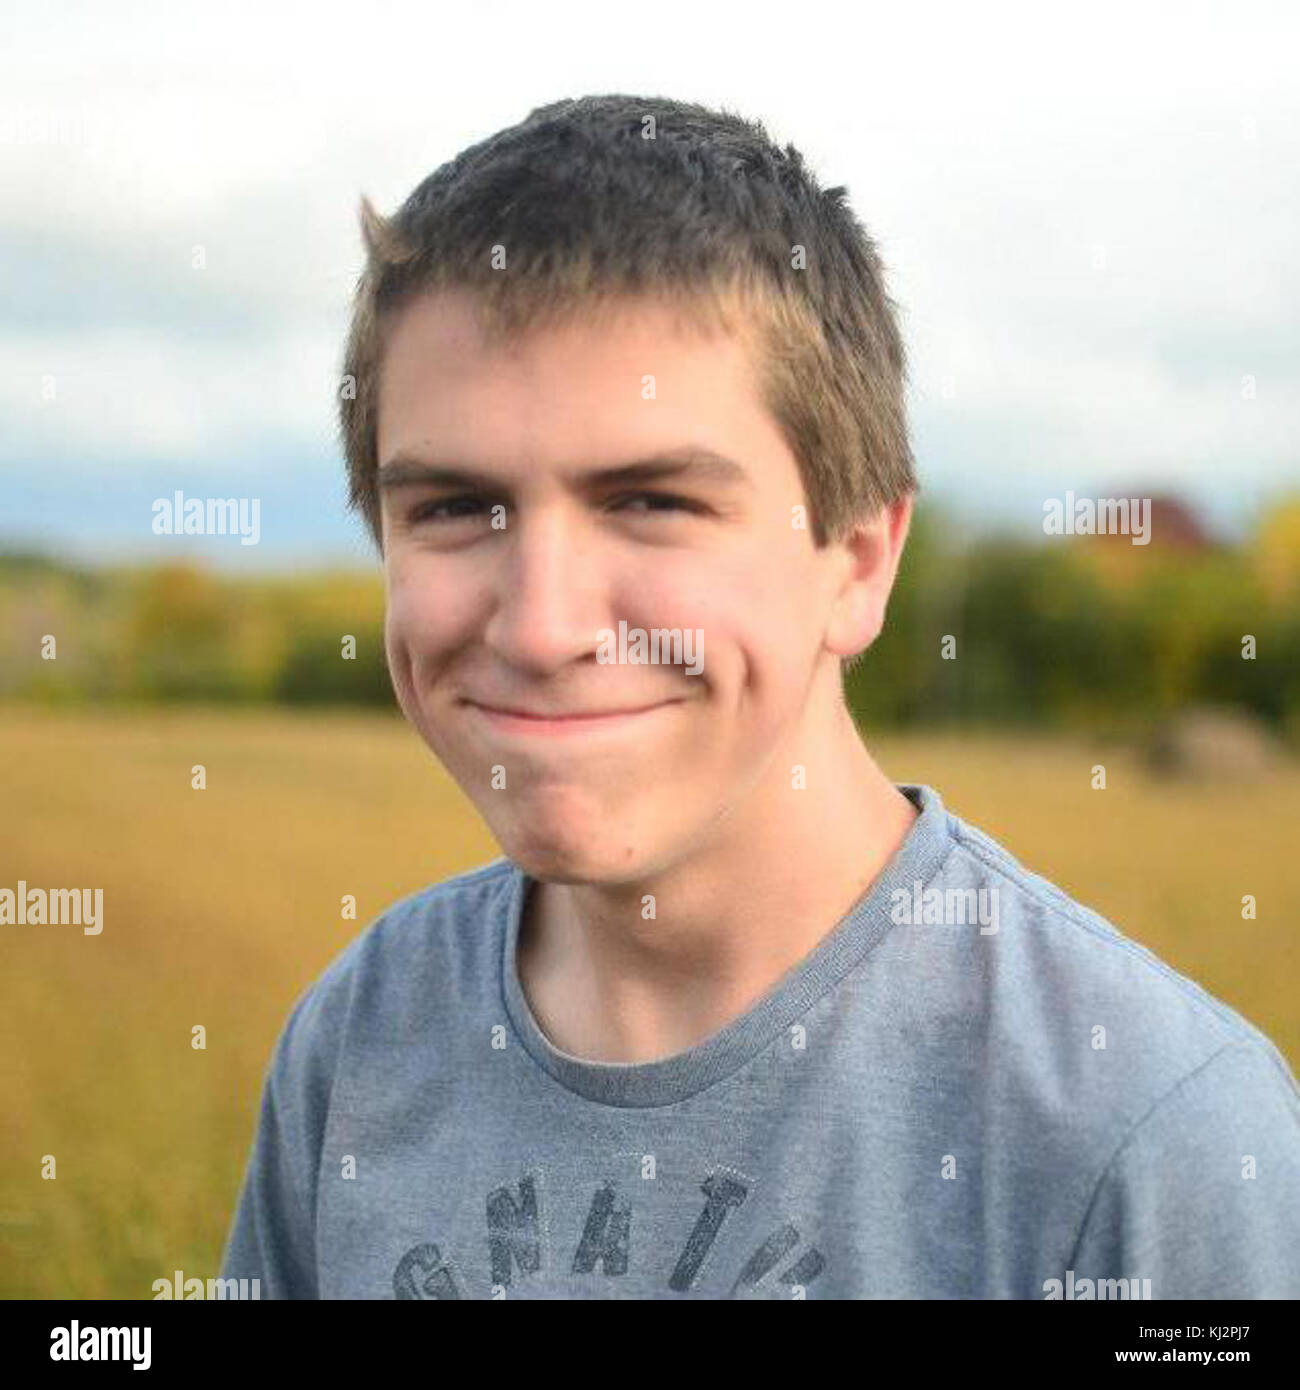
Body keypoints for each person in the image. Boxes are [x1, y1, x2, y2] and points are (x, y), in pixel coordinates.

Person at [221, 94, 1300, 1299]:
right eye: (454, 507)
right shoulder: (360, 1036)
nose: (538, 624)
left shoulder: (1149, 1139)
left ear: (857, 559)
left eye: (653, 502)